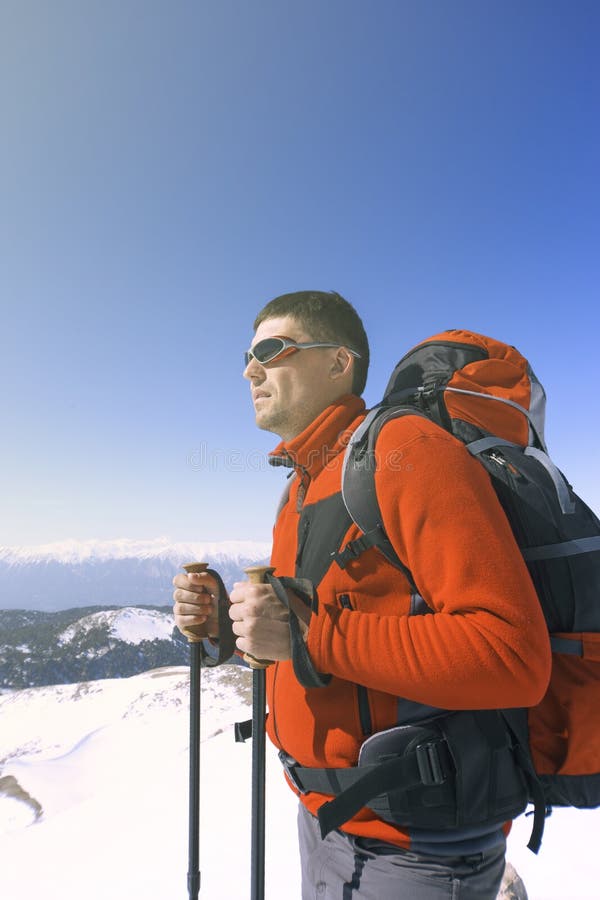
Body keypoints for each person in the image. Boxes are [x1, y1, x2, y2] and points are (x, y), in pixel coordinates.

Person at [172, 290, 551, 900]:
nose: (249, 369)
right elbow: (320, 640)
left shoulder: (409, 452)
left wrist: (308, 633)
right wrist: (230, 626)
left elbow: (511, 654)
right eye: (247, 355)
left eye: (271, 351)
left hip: (413, 850)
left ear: (338, 362)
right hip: (328, 821)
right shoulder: (302, 487)